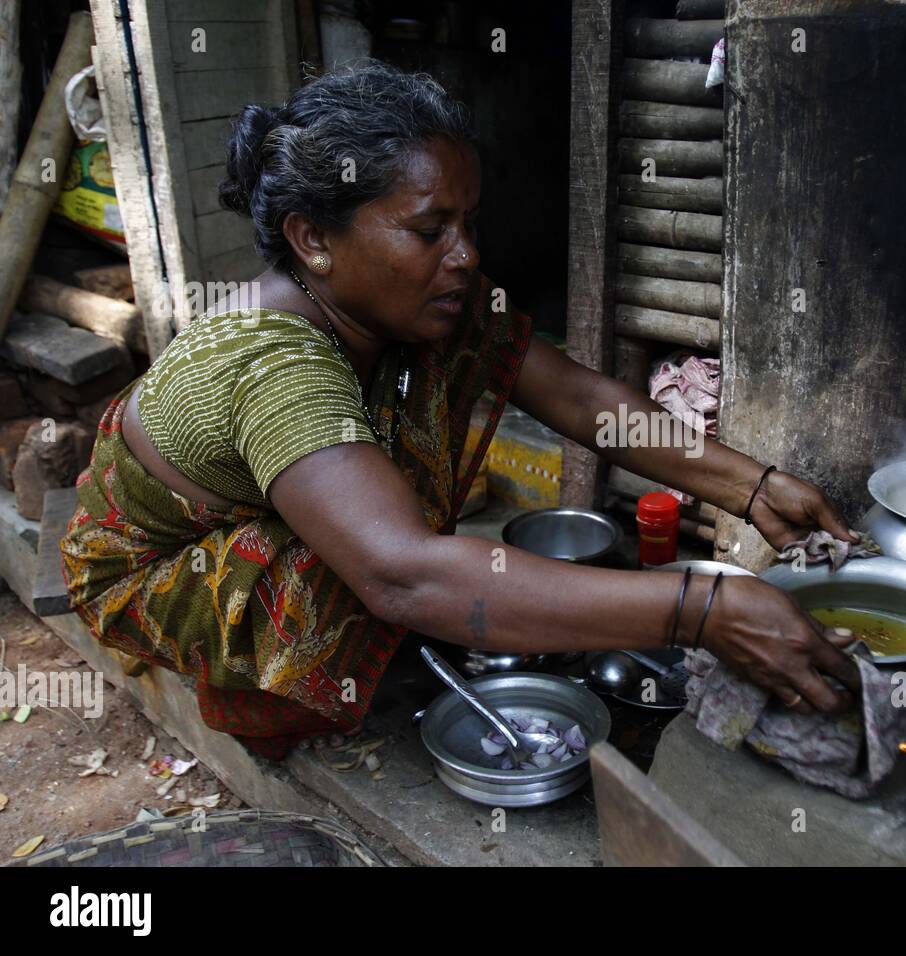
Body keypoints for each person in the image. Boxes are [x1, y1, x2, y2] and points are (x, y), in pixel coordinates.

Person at [60, 62, 860, 758]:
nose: (466, 253)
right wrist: (703, 609)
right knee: (360, 567)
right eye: (429, 228)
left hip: (300, 522)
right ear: (312, 239)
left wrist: (752, 488)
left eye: (468, 223)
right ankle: (273, 711)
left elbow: (579, 397)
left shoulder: (416, 302)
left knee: (397, 513)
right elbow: (402, 574)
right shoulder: (273, 367)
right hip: (159, 571)